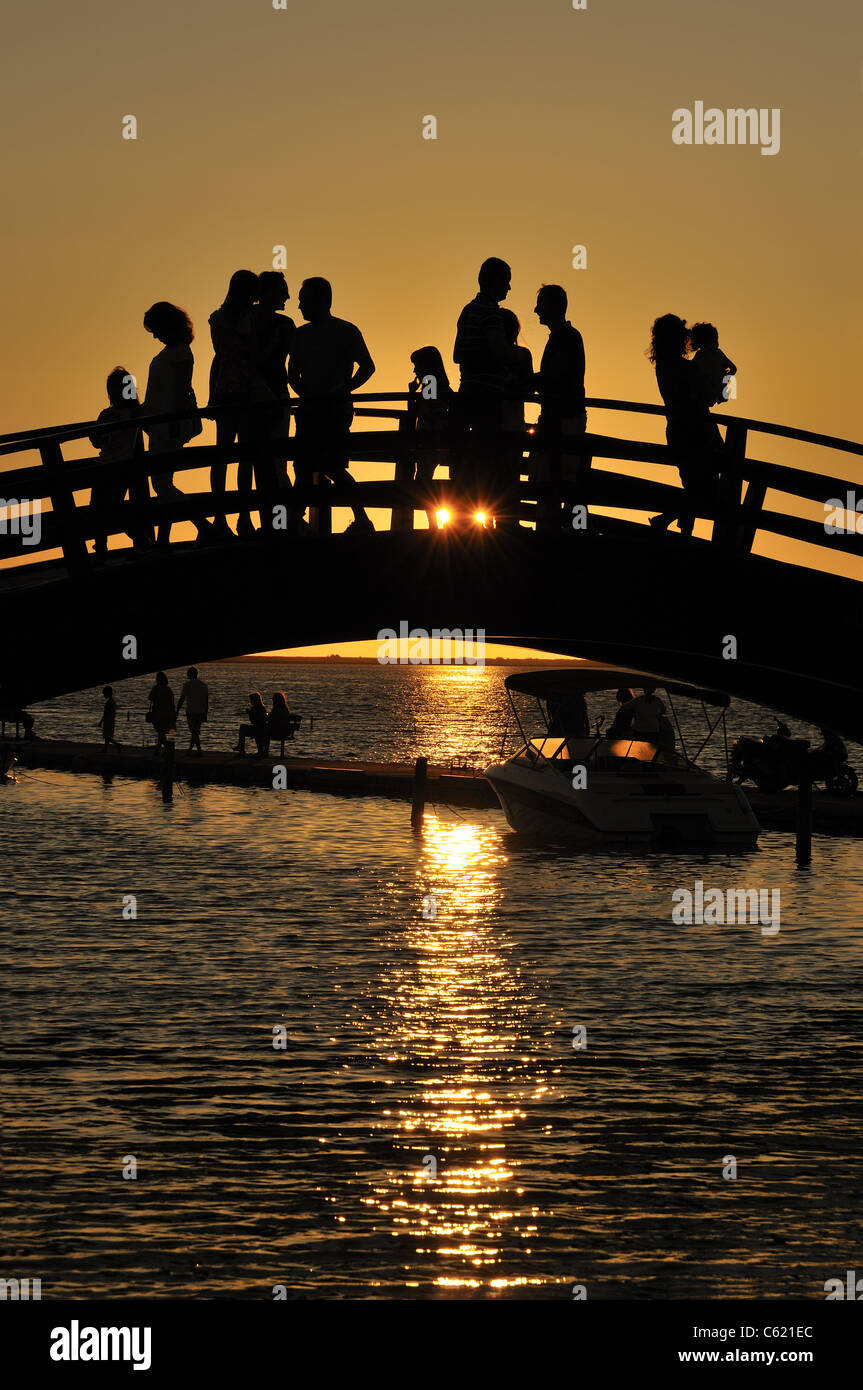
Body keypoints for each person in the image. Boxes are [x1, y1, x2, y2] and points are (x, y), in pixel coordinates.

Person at [288, 277, 376, 533]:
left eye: (303, 301)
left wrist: (341, 390)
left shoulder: (345, 331)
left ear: (320, 301)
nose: (300, 306)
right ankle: (297, 519)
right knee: (304, 467)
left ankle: (359, 518)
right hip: (311, 410)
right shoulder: (302, 335)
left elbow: (367, 366)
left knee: (330, 466)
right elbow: (292, 374)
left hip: (334, 411)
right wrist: (307, 392)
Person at [648, 313, 723, 537]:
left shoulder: (663, 366)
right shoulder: (685, 368)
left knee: (694, 487)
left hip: (679, 432)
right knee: (705, 490)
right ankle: (672, 525)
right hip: (696, 433)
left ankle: (676, 528)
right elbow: (706, 397)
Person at [452, 257, 511, 519]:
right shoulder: (491, 314)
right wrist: (517, 358)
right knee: (492, 460)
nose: (509, 288)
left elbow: (456, 355)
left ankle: (463, 520)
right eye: (506, 282)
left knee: (465, 462)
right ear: (494, 281)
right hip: (487, 397)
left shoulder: (467, 310)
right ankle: (491, 522)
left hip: (466, 392)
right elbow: (499, 353)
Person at [142, 302, 202, 547]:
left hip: (167, 425)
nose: (155, 335)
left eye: (156, 329)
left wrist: (174, 422)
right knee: (163, 485)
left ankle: (203, 525)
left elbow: (181, 389)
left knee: (162, 485)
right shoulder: (173, 352)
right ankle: (164, 541)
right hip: (159, 423)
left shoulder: (179, 353)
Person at [208, 269, 262, 538]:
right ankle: (238, 517)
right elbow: (242, 355)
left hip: (227, 390)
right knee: (242, 457)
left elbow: (218, 359)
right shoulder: (251, 319)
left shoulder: (217, 319)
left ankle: (226, 518)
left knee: (225, 456)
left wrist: (211, 394)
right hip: (244, 391)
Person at [532, 284, 587, 528]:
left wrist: (527, 380)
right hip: (562, 418)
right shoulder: (566, 336)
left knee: (556, 476)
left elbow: (556, 377)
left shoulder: (565, 337)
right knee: (562, 477)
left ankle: (553, 531)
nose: (535, 310)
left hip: (562, 420)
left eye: (540, 305)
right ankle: (561, 529)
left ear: (553, 307)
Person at [87, 366, 147, 560]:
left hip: (114, 467)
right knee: (101, 507)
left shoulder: (126, 413)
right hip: (109, 466)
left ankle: (134, 539)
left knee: (106, 507)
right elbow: (94, 439)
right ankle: (107, 545)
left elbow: (94, 438)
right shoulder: (121, 413)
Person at [252, 271, 296, 496]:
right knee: (272, 459)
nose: (288, 296)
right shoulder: (282, 325)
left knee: (266, 460)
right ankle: (288, 520)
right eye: (282, 290)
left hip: (269, 395)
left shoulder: (247, 319)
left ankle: (284, 520)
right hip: (270, 395)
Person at [409, 346, 454, 529]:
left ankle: (433, 526)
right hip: (440, 436)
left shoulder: (430, 382)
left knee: (423, 481)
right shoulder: (443, 384)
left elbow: (426, 410)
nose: (414, 370)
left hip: (429, 438)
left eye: (416, 365)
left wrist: (412, 395)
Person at [499, 310, 534, 527]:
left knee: (496, 472)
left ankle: (499, 520)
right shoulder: (523, 355)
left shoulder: (492, 355)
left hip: (497, 420)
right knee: (511, 472)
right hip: (513, 421)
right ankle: (510, 521)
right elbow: (529, 388)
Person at [689, 323, 737, 407]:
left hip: (713, 389)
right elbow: (691, 369)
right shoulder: (702, 355)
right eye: (714, 340)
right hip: (705, 389)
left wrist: (724, 378)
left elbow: (733, 368)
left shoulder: (718, 354)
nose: (717, 343)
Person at [176, 666, 209, 756]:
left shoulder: (187, 685)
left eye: (188, 673)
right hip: (201, 711)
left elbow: (182, 698)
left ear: (191, 674)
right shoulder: (203, 685)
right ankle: (192, 750)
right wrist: (205, 713)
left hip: (191, 711)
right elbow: (206, 701)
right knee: (195, 731)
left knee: (194, 731)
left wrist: (177, 710)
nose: (186, 674)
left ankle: (198, 750)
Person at [147, 670, 176, 755]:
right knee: (162, 732)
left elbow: (150, 698)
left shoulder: (156, 688)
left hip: (158, 713)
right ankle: (158, 750)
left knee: (160, 732)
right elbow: (172, 702)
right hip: (167, 713)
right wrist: (173, 713)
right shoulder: (168, 690)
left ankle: (166, 748)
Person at [235, 691, 269, 757]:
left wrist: (250, 714)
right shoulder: (262, 708)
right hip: (262, 729)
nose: (250, 702)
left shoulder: (255, 708)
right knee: (243, 727)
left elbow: (253, 721)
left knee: (242, 728)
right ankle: (241, 747)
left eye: (251, 700)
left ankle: (241, 748)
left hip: (258, 729)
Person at [98, 685, 119, 751]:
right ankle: (105, 748)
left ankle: (117, 745)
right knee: (107, 736)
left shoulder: (109, 703)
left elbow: (105, 713)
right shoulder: (113, 702)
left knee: (107, 736)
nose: (104, 695)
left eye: (104, 694)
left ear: (108, 693)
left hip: (108, 721)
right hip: (112, 720)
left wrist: (101, 721)